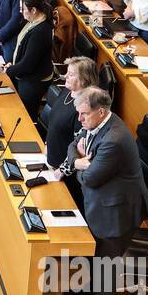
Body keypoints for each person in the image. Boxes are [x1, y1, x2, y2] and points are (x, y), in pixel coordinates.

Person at [66, 88, 147, 295]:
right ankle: (90, 291)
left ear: (101, 112)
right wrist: (78, 161)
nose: (80, 119)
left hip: (118, 209)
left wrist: (79, 167)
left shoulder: (114, 139)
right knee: (98, 252)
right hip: (103, 199)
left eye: (84, 114)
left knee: (106, 260)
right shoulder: (96, 123)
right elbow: (73, 145)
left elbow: (90, 179)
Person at [43, 56, 99, 209]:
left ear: (84, 79)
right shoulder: (67, 92)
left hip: (67, 174)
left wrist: (63, 170)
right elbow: (54, 121)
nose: (66, 76)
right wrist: (47, 142)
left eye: (72, 74)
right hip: (51, 161)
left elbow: (79, 147)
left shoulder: (85, 107)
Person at [6, 0, 55, 116]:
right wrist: (13, 63)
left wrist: (9, 71)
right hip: (25, 74)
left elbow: (28, 64)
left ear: (33, 10)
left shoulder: (40, 31)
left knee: (26, 114)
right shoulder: (33, 21)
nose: (21, 12)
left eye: (23, 9)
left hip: (33, 81)